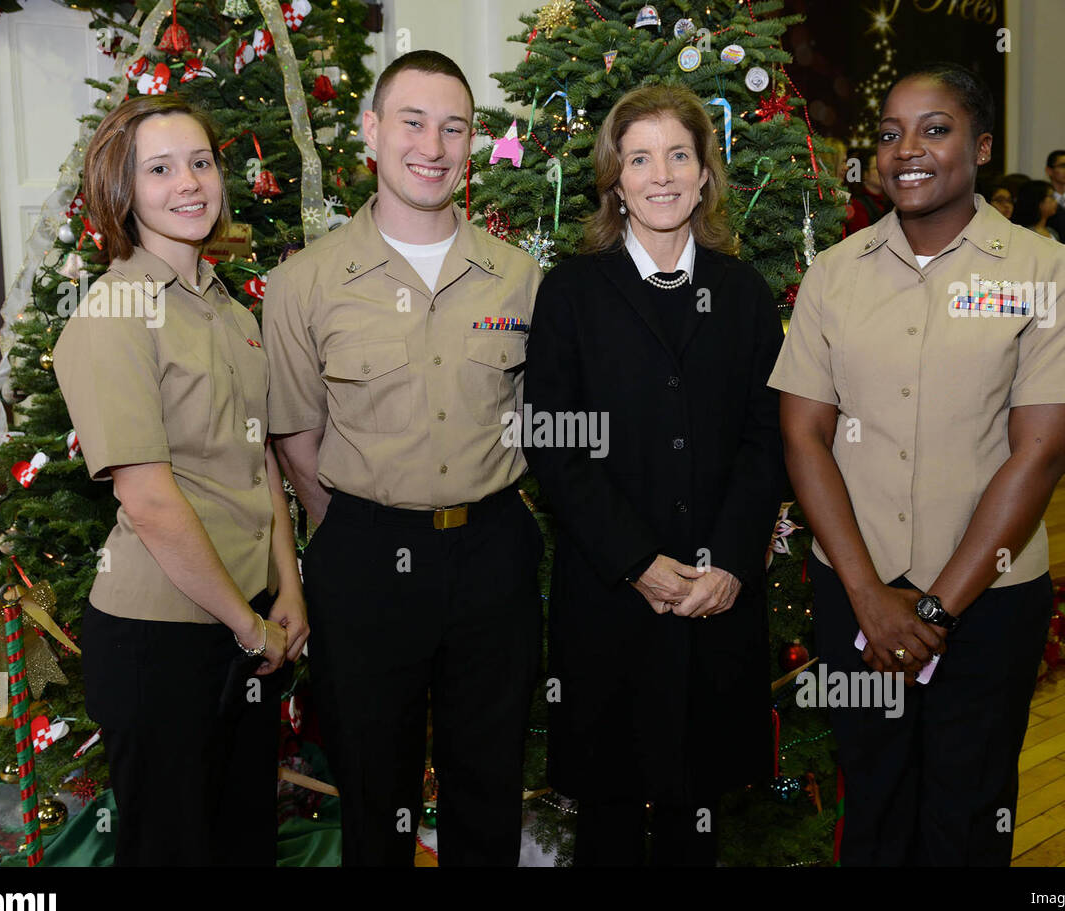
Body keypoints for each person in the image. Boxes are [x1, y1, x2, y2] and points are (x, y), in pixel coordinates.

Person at [770, 63, 1065, 866]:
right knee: (874, 799)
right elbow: (804, 436)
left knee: (969, 807)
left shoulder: (1041, 272)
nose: (906, 149)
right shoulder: (835, 274)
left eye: (935, 128)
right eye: (889, 133)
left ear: (981, 145)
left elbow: (1043, 451)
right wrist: (868, 599)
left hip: (989, 606)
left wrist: (934, 612)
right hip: (856, 597)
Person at [262, 51, 544, 867]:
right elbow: (295, 437)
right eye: (413, 121)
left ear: (472, 144)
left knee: (487, 785)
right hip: (365, 556)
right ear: (371, 133)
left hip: (494, 552)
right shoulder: (304, 284)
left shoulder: (518, 279)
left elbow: (536, 419)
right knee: (373, 789)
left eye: (454, 127)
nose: (434, 144)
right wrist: (355, 526)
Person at [524, 84, 784, 867]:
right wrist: (638, 562)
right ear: (616, 178)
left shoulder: (743, 294)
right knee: (605, 817)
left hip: (716, 596)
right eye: (640, 158)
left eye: (680, 155)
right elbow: (554, 441)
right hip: (611, 595)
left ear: (707, 174)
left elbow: (767, 437)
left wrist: (731, 560)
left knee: (695, 815)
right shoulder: (573, 290)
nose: (661, 174)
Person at [54, 94, 307, 866]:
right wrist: (245, 622)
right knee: (173, 849)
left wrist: (287, 592)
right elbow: (149, 498)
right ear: (123, 191)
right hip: (161, 638)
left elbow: (260, 459)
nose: (189, 183)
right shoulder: (113, 314)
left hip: (250, 621)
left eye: (200, 162)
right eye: (159, 169)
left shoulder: (226, 309)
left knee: (243, 840)